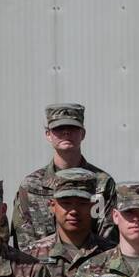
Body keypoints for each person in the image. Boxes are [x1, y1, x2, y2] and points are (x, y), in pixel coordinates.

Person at [12, 103, 117, 249]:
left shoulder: (102, 182)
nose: (66, 133)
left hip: (92, 266)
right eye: (59, 129)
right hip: (41, 267)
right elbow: (23, 240)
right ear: (48, 134)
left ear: (83, 134)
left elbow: (108, 237)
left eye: (73, 128)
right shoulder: (31, 185)